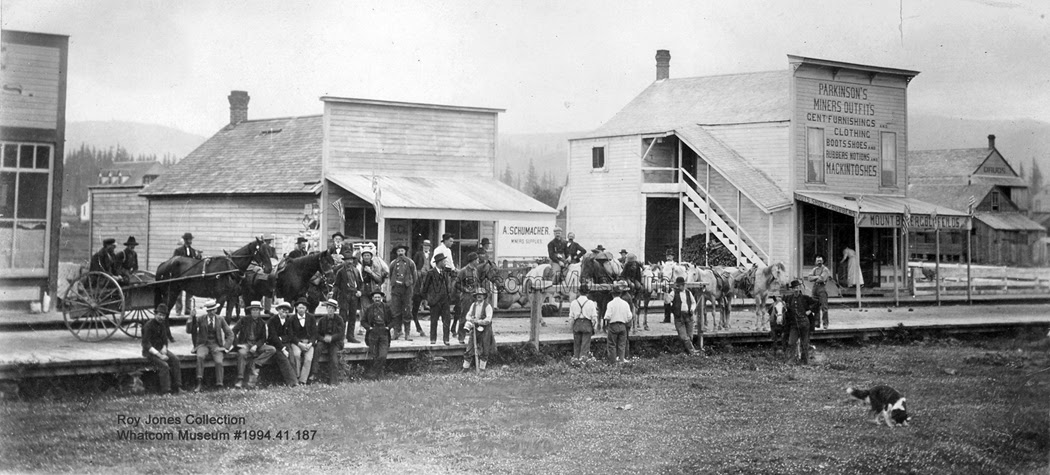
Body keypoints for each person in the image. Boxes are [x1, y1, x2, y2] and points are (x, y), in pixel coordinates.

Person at [186, 299, 233, 392]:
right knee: (200, 357)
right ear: (206, 311)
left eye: (213, 310)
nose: (211, 312)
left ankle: (219, 384)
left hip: (216, 345)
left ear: (216, 310)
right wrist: (191, 317)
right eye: (209, 310)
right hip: (203, 344)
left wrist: (225, 347)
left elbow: (230, 334)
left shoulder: (220, 319)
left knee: (219, 361)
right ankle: (199, 383)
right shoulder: (201, 319)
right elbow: (189, 330)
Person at [232, 301, 276, 389]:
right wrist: (238, 345)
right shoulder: (244, 320)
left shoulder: (262, 323)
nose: (255, 312)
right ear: (250, 311)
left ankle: (255, 363)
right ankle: (240, 379)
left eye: (257, 310)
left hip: (256, 345)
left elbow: (263, 338)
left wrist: (256, 345)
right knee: (242, 353)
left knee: (272, 349)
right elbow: (233, 331)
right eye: (253, 310)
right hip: (245, 344)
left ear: (259, 311)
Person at [141, 304, 181, 394]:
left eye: (163, 315)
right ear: (155, 314)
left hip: (160, 349)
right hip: (150, 353)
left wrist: (164, 347)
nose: (161, 317)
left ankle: (178, 387)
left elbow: (165, 339)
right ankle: (166, 391)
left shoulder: (163, 325)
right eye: (159, 315)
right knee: (164, 365)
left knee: (175, 360)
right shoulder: (148, 326)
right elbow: (146, 344)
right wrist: (159, 355)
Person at [265, 300, 301, 387]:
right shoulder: (272, 321)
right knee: (284, 360)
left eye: (286, 311)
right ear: (278, 310)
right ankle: (293, 383)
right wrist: (282, 348)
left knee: (292, 360)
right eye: (282, 310)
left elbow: (290, 335)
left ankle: (294, 380)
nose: (284, 312)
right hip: (275, 346)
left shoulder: (288, 321)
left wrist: (281, 338)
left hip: (286, 343)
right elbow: (273, 337)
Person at [420, 253, 454, 345]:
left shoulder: (446, 273)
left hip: (445, 300)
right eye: (443, 261)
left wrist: (448, 296)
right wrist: (426, 299)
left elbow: (448, 286)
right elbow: (425, 287)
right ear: (439, 262)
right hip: (434, 301)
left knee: (446, 320)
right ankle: (433, 339)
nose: (445, 263)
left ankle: (446, 339)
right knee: (434, 320)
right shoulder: (430, 273)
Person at [782, 279, 819, 365]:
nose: (796, 289)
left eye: (797, 287)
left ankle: (805, 362)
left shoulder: (805, 298)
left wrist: (809, 311)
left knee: (804, 344)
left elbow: (817, 303)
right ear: (792, 289)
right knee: (791, 342)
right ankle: (790, 361)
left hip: (804, 323)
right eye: (794, 288)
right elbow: (780, 301)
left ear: (799, 288)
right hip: (794, 324)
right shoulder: (788, 298)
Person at [388, 245, 419, 341]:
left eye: (402, 251)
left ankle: (407, 334)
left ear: (405, 252)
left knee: (407, 310)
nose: (400, 253)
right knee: (395, 311)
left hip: (407, 290)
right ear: (396, 253)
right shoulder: (393, 263)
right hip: (396, 289)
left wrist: (410, 287)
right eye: (398, 251)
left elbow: (415, 276)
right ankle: (396, 332)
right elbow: (390, 275)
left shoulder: (411, 262)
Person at [310, 299, 344, 384]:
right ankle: (313, 374)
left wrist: (331, 338)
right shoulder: (322, 320)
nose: (330, 310)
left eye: (332, 308)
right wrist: (323, 339)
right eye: (329, 308)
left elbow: (341, 334)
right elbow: (317, 333)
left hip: (335, 342)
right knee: (317, 349)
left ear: (335, 310)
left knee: (334, 359)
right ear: (326, 309)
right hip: (324, 341)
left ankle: (333, 381)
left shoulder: (339, 320)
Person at [361, 290, 393, 379]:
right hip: (373, 332)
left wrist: (388, 327)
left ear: (382, 298)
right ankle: (380, 376)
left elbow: (394, 319)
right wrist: (369, 328)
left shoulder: (386, 307)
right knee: (375, 356)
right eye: (375, 297)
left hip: (383, 332)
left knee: (382, 355)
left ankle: (371, 374)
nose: (377, 299)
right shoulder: (369, 308)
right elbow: (363, 321)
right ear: (372, 298)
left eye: (379, 297)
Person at [332, 253, 362, 343]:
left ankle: (350, 336)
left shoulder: (356, 271)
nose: (349, 262)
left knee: (352, 317)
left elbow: (360, 283)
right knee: (343, 317)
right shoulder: (340, 272)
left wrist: (360, 291)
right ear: (344, 261)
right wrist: (334, 296)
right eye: (347, 260)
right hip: (344, 296)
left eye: (351, 260)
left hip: (354, 296)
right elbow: (336, 285)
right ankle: (340, 336)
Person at [463, 288, 496, 371]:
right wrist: (471, 320)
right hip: (475, 329)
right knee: (470, 348)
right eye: (477, 295)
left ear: (484, 296)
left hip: (485, 330)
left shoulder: (488, 306)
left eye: (481, 295)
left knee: (485, 349)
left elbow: (488, 320)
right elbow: (468, 315)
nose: (479, 296)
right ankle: (465, 368)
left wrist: (479, 321)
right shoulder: (473, 305)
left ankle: (481, 369)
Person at [286, 298, 316, 385]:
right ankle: (297, 376)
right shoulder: (292, 319)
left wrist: (310, 344)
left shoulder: (311, 318)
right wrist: (299, 344)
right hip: (297, 342)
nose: (301, 309)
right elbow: (291, 335)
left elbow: (315, 334)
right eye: (299, 308)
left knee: (308, 359)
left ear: (306, 308)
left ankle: (303, 380)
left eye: (303, 308)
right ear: (296, 308)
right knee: (296, 355)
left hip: (308, 343)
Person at [668, 277, 700, 355]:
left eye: (682, 285)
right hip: (679, 316)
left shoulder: (688, 293)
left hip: (688, 315)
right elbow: (667, 301)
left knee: (690, 336)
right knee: (683, 336)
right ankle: (693, 352)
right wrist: (666, 293)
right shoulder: (673, 293)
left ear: (684, 285)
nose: (680, 287)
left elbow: (693, 302)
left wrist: (692, 309)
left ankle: (687, 353)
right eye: (678, 285)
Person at [453, 252, 480, 344]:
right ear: (472, 261)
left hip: (474, 296)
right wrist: (465, 289)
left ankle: (473, 338)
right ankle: (461, 337)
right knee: (464, 316)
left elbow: (477, 282)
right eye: (476, 260)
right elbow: (456, 284)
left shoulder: (475, 271)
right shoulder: (463, 271)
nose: (478, 261)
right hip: (466, 297)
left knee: (475, 317)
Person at [604, 283, 633, 363]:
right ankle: (621, 360)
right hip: (623, 325)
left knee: (612, 344)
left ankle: (613, 362)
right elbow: (630, 316)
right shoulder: (625, 304)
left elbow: (607, 316)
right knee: (622, 344)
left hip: (613, 325)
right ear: (620, 294)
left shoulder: (610, 304)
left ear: (613, 294)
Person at [569, 286, 598, 361]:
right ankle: (583, 360)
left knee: (576, 345)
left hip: (577, 323)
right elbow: (594, 317)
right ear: (587, 293)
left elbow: (571, 317)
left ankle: (576, 359)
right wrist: (594, 327)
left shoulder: (574, 302)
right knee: (585, 345)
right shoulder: (591, 303)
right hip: (587, 324)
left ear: (579, 292)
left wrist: (571, 327)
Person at [411, 239, 433, 336]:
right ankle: (419, 298)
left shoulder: (432, 256)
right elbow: (414, 265)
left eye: (427, 246)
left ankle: (427, 302)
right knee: (419, 287)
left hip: (429, 274)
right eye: (425, 246)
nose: (426, 247)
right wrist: (419, 271)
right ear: (422, 246)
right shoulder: (418, 254)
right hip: (420, 274)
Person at [807, 256, 831, 329]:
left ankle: (825, 324)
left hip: (822, 288)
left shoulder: (825, 269)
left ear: (823, 261)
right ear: (815, 262)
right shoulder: (814, 269)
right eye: (817, 261)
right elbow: (809, 278)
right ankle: (817, 323)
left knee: (824, 307)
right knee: (814, 306)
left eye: (820, 260)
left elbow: (822, 279)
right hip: (815, 288)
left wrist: (816, 278)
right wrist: (817, 277)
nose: (819, 262)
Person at [662, 249, 677, 323]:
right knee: (666, 301)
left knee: (675, 301)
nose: (668, 257)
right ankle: (667, 318)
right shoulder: (664, 264)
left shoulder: (675, 264)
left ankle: (676, 318)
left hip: (673, 283)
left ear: (673, 257)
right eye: (667, 255)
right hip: (666, 282)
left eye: (670, 255)